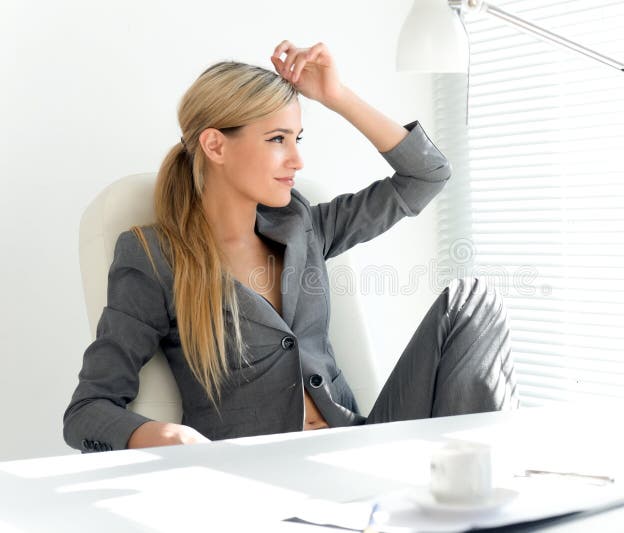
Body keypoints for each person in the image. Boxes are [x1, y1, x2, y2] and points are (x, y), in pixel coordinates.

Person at [63, 41, 518, 452]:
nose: (297, 160)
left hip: (359, 444)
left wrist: (337, 96)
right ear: (215, 146)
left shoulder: (304, 226)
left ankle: (480, 483)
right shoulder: (153, 258)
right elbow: (87, 410)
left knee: (474, 302)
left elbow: (426, 176)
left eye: (296, 139)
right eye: (278, 139)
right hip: (260, 469)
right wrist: (163, 435)